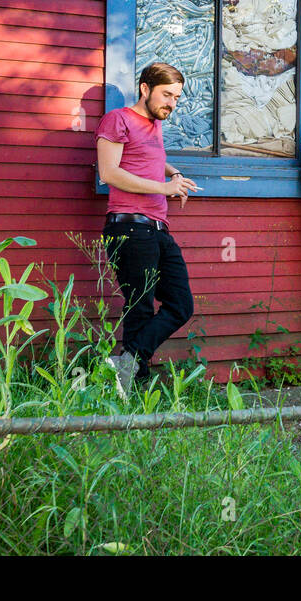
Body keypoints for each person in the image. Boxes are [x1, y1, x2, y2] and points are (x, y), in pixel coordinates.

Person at [95, 62, 200, 395]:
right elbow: (109, 173)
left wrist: (174, 174)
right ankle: (134, 388)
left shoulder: (153, 126)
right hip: (129, 227)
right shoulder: (118, 120)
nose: (171, 103)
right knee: (139, 307)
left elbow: (149, 157)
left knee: (180, 305)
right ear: (145, 88)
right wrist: (164, 189)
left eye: (177, 97)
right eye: (166, 95)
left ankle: (125, 365)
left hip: (157, 228)